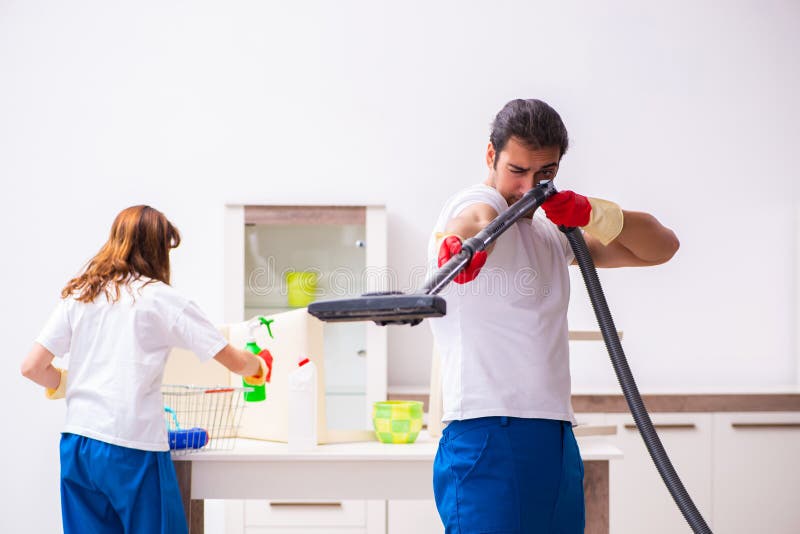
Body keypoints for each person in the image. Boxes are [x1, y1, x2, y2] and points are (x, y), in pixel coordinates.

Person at [428, 98, 679, 533]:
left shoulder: (551, 234)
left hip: (555, 435)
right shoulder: (477, 203)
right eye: (517, 170)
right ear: (491, 155)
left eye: (545, 173)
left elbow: (662, 246)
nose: (529, 188)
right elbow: (476, 219)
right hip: (487, 432)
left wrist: (594, 213)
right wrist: (463, 247)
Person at [20, 205, 271, 534]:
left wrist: (65, 383)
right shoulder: (162, 300)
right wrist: (258, 366)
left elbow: (32, 367)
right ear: (159, 249)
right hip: (132, 448)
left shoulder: (82, 294)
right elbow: (234, 361)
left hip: (78, 444)